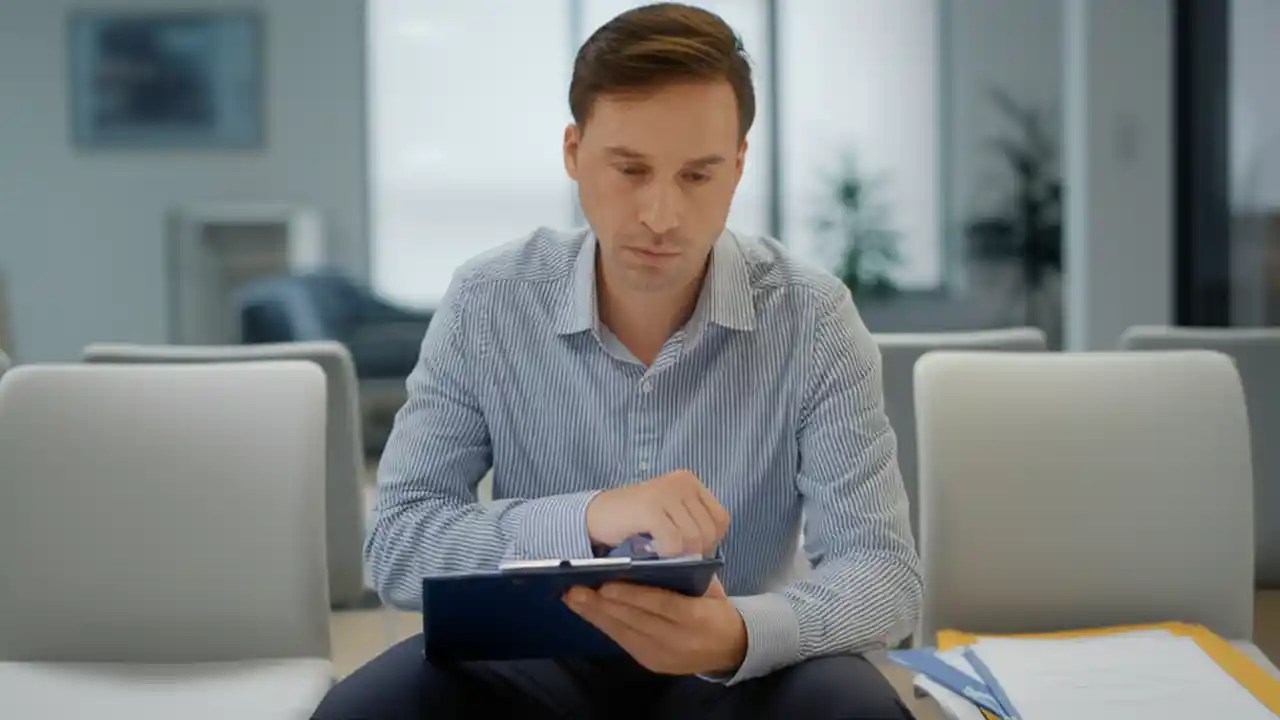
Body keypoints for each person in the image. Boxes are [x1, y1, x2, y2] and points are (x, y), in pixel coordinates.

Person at [313, 3, 921, 718]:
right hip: (527, 667)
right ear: (574, 152)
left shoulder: (811, 316)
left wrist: (738, 633)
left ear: (737, 167)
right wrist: (591, 517)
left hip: (735, 673)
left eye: (697, 176)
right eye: (630, 169)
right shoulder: (489, 300)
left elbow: (883, 572)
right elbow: (399, 543)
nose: (661, 216)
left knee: (858, 705)